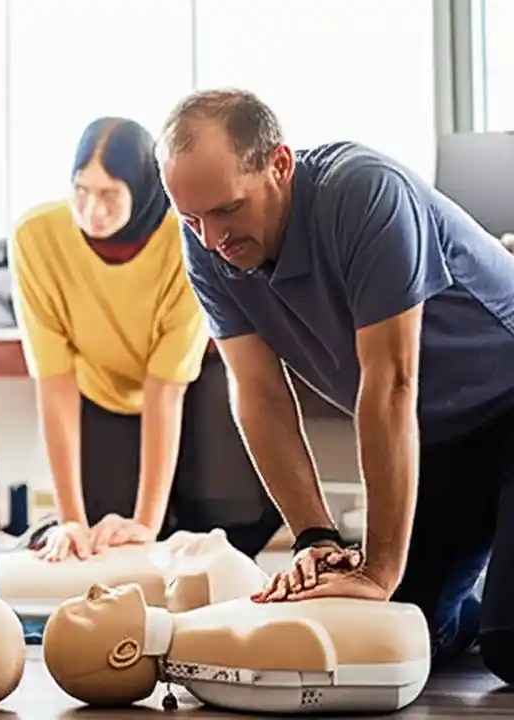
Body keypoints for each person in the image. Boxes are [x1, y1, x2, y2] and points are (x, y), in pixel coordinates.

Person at [157, 88, 513, 684]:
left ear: (279, 164)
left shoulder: (365, 193)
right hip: (444, 435)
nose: (213, 238)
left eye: (226, 211)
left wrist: (377, 568)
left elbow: (392, 383)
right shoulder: (206, 243)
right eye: (192, 218)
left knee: (511, 646)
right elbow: (259, 394)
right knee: (393, 640)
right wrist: (314, 539)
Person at [10, 117, 280, 563]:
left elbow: (165, 391)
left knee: (225, 513)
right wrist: (70, 520)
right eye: (80, 190)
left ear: (141, 187)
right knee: (99, 532)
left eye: (109, 193)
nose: (91, 210)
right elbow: (55, 384)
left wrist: (146, 525)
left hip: (190, 388)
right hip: (101, 393)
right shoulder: (35, 237)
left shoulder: (185, 236)